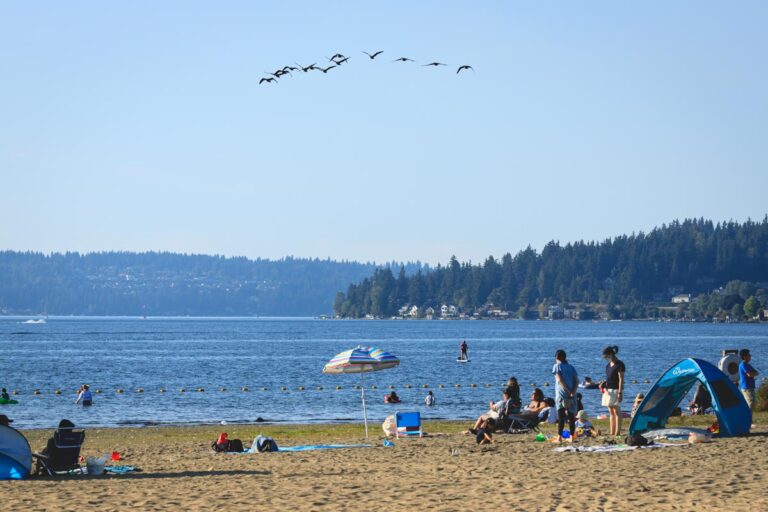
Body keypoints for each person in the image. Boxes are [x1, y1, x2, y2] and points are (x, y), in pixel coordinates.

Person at [552, 349, 579, 443]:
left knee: (561, 416)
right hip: (572, 395)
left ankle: (559, 437)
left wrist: (567, 391)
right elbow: (576, 381)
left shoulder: (557, 366)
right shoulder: (571, 367)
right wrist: (572, 392)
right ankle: (572, 437)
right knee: (571, 417)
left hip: (561, 394)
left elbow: (560, 380)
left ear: (557, 357)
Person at [599, 345, 625, 436]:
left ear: (610, 354)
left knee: (616, 410)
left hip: (616, 389)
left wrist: (620, 392)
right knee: (610, 411)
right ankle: (612, 431)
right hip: (608, 389)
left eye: (606, 356)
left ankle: (617, 432)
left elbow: (621, 379)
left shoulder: (620, 364)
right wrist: (603, 383)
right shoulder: (608, 365)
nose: (606, 358)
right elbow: (609, 377)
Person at [738, 349, 759, 415]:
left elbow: (756, 372)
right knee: (750, 404)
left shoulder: (748, 365)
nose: (750, 356)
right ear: (744, 357)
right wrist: (753, 373)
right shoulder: (743, 365)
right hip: (746, 387)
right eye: (749, 355)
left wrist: (753, 373)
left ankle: (747, 418)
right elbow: (750, 374)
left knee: (752, 404)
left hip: (750, 387)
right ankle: (748, 418)